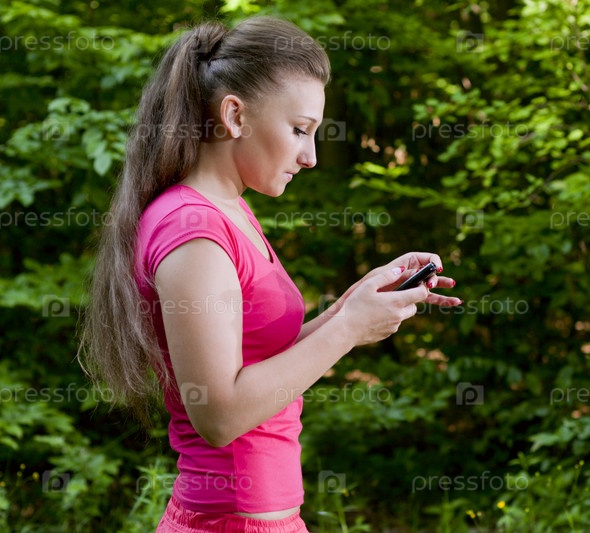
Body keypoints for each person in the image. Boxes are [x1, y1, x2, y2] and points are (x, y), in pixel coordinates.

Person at [79, 15, 460, 533]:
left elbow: (261, 359)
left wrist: (355, 304)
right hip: (229, 521)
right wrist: (349, 329)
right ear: (235, 115)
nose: (310, 157)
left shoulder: (228, 211)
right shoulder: (194, 232)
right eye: (299, 130)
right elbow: (220, 414)